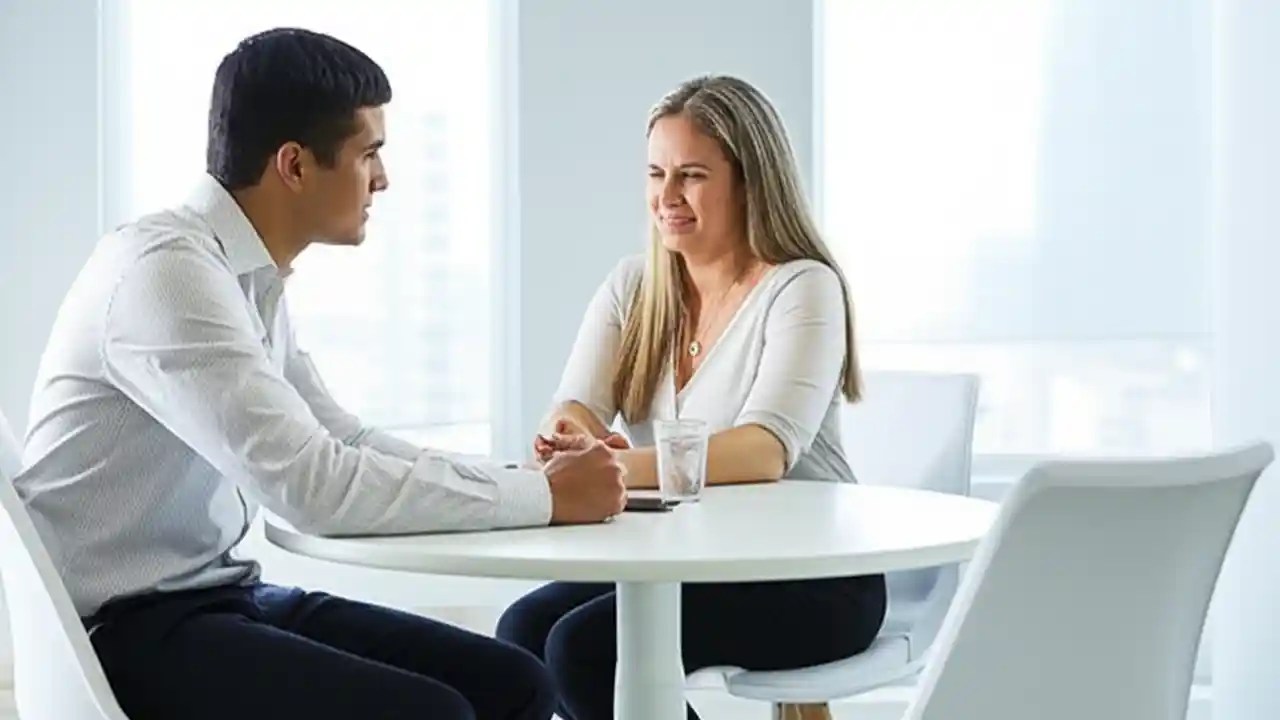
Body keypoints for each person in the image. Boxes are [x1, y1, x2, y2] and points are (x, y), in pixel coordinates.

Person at [13, 27, 626, 720]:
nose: (384, 179)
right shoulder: (169, 275)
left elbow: (343, 438)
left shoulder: (243, 278)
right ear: (295, 165)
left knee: (518, 683)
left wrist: (530, 483)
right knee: (436, 714)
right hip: (130, 635)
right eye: (370, 154)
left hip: (221, 599)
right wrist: (547, 501)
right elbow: (312, 488)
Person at [496, 75, 888, 720]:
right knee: (523, 635)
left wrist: (610, 467)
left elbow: (764, 452)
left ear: (749, 181)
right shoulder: (635, 284)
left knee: (584, 649)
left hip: (811, 578)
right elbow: (575, 408)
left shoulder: (802, 287)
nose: (667, 196)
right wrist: (571, 436)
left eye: (693, 175)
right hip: (683, 564)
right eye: (656, 173)